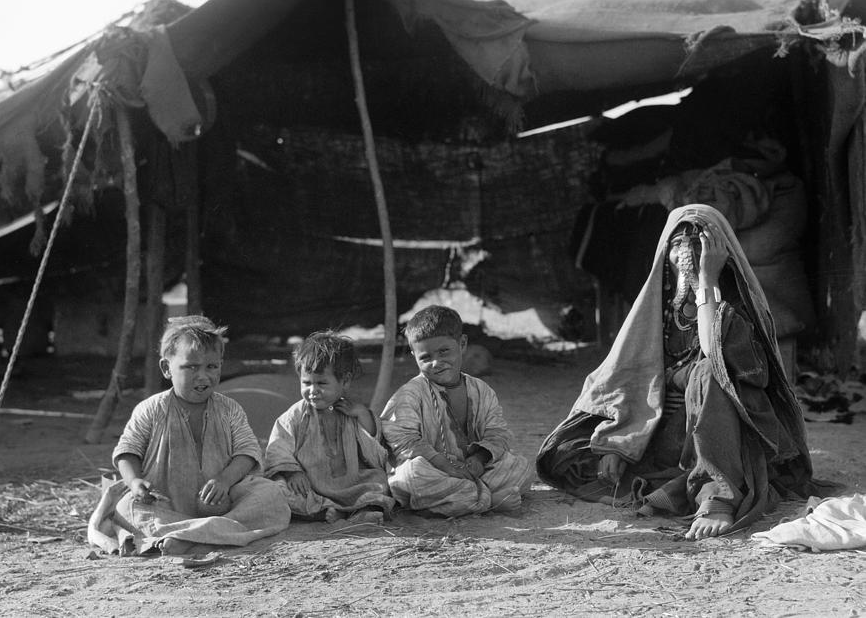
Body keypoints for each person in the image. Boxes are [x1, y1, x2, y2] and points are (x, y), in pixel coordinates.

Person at [537, 203, 824, 540]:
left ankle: (717, 497)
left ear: (721, 253)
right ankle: (671, 477)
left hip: (723, 440)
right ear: (663, 255)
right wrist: (618, 443)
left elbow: (717, 354)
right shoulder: (653, 315)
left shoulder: (734, 310)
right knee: (570, 456)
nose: (686, 254)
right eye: (676, 245)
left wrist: (707, 280)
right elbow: (620, 379)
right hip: (660, 435)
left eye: (699, 244)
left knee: (706, 372)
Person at [91, 315, 290, 556]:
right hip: (165, 503)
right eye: (191, 367)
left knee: (271, 498)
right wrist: (134, 483)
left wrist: (224, 481)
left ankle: (186, 537)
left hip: (223, 502)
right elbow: (127, 451)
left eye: (211, 367)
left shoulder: (229, 409)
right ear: (167, 368)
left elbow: (247, 452)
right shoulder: (152, 409)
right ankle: (207, 536)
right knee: (127, 508)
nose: (203, 376)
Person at [381, 305, 532, 517]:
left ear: (462, 344)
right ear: (414, 355)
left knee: (520, 467)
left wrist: (480, 459)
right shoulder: (410, 394)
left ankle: (460, 499)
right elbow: (401, 440)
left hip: (471, 472)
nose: (436, 362)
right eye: (425, 357)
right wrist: (443, 464)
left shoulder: (481, 390)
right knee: (411, 477)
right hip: (433, 471)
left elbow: (497, 432)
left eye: (444, 352)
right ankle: (488, 501)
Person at [263, 331, 394, 524]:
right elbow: (277, 448)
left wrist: (362, 415)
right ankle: (327, 513)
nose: (313, 391)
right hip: (311, 486)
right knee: (277, 490)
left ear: (345, 381)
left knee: (380, 482)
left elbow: (375, 450)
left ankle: (362, 512)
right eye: (307, 383)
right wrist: (292, 472)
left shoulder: (351, 410)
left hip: (352, 483)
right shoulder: (296, 415)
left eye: (322, 383)